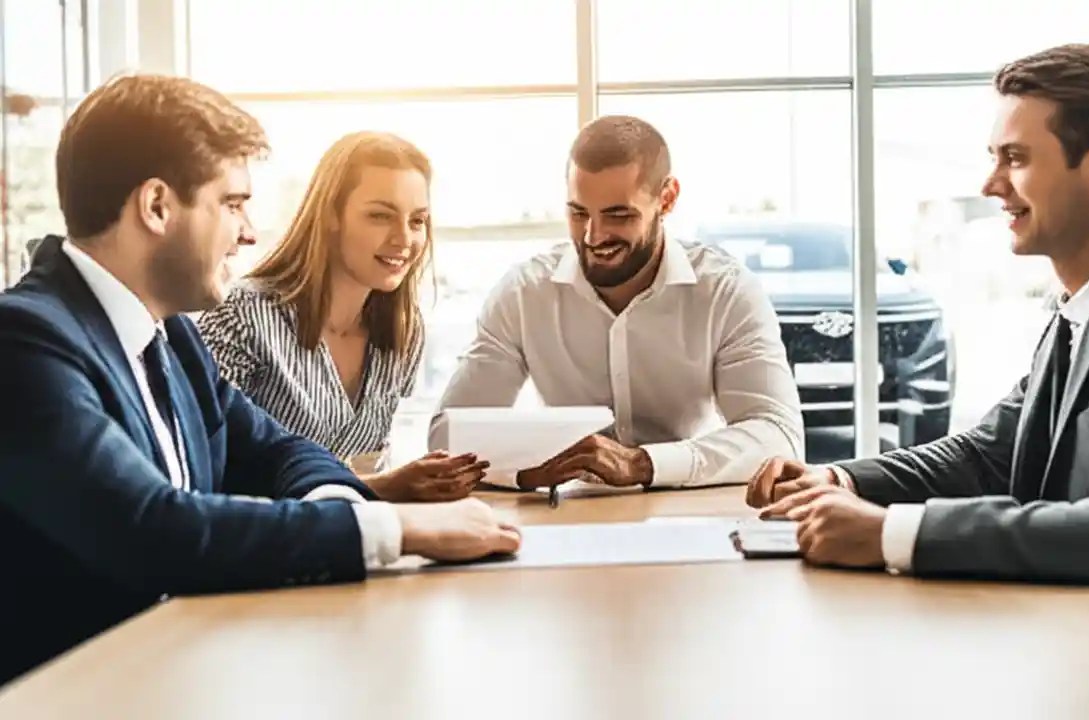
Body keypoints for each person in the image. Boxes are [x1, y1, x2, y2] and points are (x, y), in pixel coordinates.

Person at [747, 43, 1089, 692]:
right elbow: (992, 453)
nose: (990, 184)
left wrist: (893, 534)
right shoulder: (1082, 309)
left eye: (1016, 158)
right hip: (1080, 654)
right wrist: (839, 479)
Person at [0, 74, 520, 686]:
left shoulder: (171, 336)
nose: (248, 231)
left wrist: (342, 501)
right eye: (233, 203)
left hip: (183, 667)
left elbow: (279, 451)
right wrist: (397, 527)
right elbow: (151, 529)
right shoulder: (25, 343)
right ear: (158, 206)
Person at [428, 115, 803, 491]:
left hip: (689, 504)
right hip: (564, 512)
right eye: (578, 213)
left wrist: (644, 464)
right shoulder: (523, 294)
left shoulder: (727, 292)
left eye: (618, 215)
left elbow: (779, 436)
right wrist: (524, 472)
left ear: (667, 198)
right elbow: (449, 437)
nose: (594, 236)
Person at [198, 131, 486, 502]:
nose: (403, 238)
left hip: (358, 542)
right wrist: (379, 488)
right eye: (380, 216)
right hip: (265, 549)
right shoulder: (242, 315)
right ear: (332, 215)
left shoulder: (403, 330)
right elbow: (207, 476)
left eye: (417, 221)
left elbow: (371, 465)